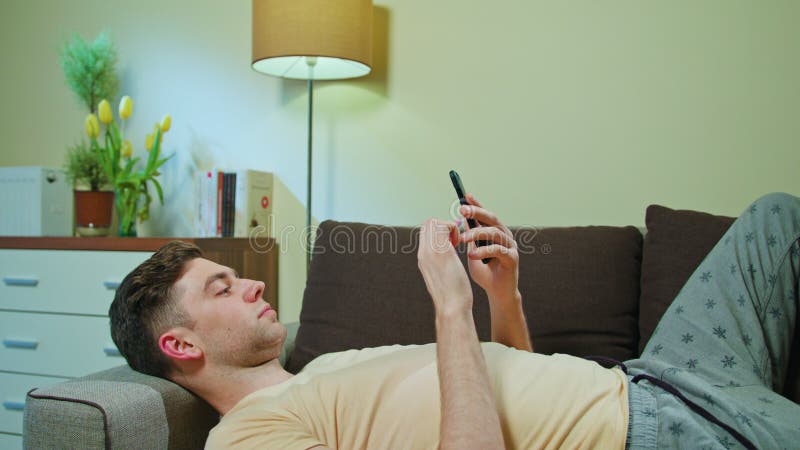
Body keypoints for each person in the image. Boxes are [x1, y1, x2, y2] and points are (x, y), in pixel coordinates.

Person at [109, 192, 800, 449]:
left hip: (659, 378)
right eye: (223, 288)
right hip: (657, 430)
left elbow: (510, 381)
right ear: (180, 343)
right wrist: (448, 304)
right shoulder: (249, 438)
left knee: (776, 219)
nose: (254, 282)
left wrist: (502, 297)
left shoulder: (318, 371)